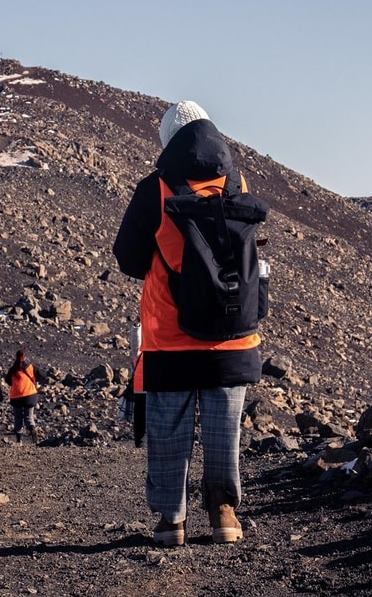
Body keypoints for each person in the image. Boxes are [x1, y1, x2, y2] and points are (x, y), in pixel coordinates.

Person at [112, 100, 261, 547]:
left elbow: (128, 259)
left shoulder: (155, 188)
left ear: (168, 141)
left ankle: (170, 520)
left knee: (168, 430)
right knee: (223, 431)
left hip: (170, 337)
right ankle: (224, 515)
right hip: (232, 337)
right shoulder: (237, 182)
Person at [7, 348, 40, 443]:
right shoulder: (30, 367)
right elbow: (42, 374)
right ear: (24, 357)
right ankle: (33, 431)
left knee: (18, 418)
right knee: (29, 417)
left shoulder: (12, 370)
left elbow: (8, 381)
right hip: (30, 395)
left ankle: (19, 440)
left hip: (16, 397)